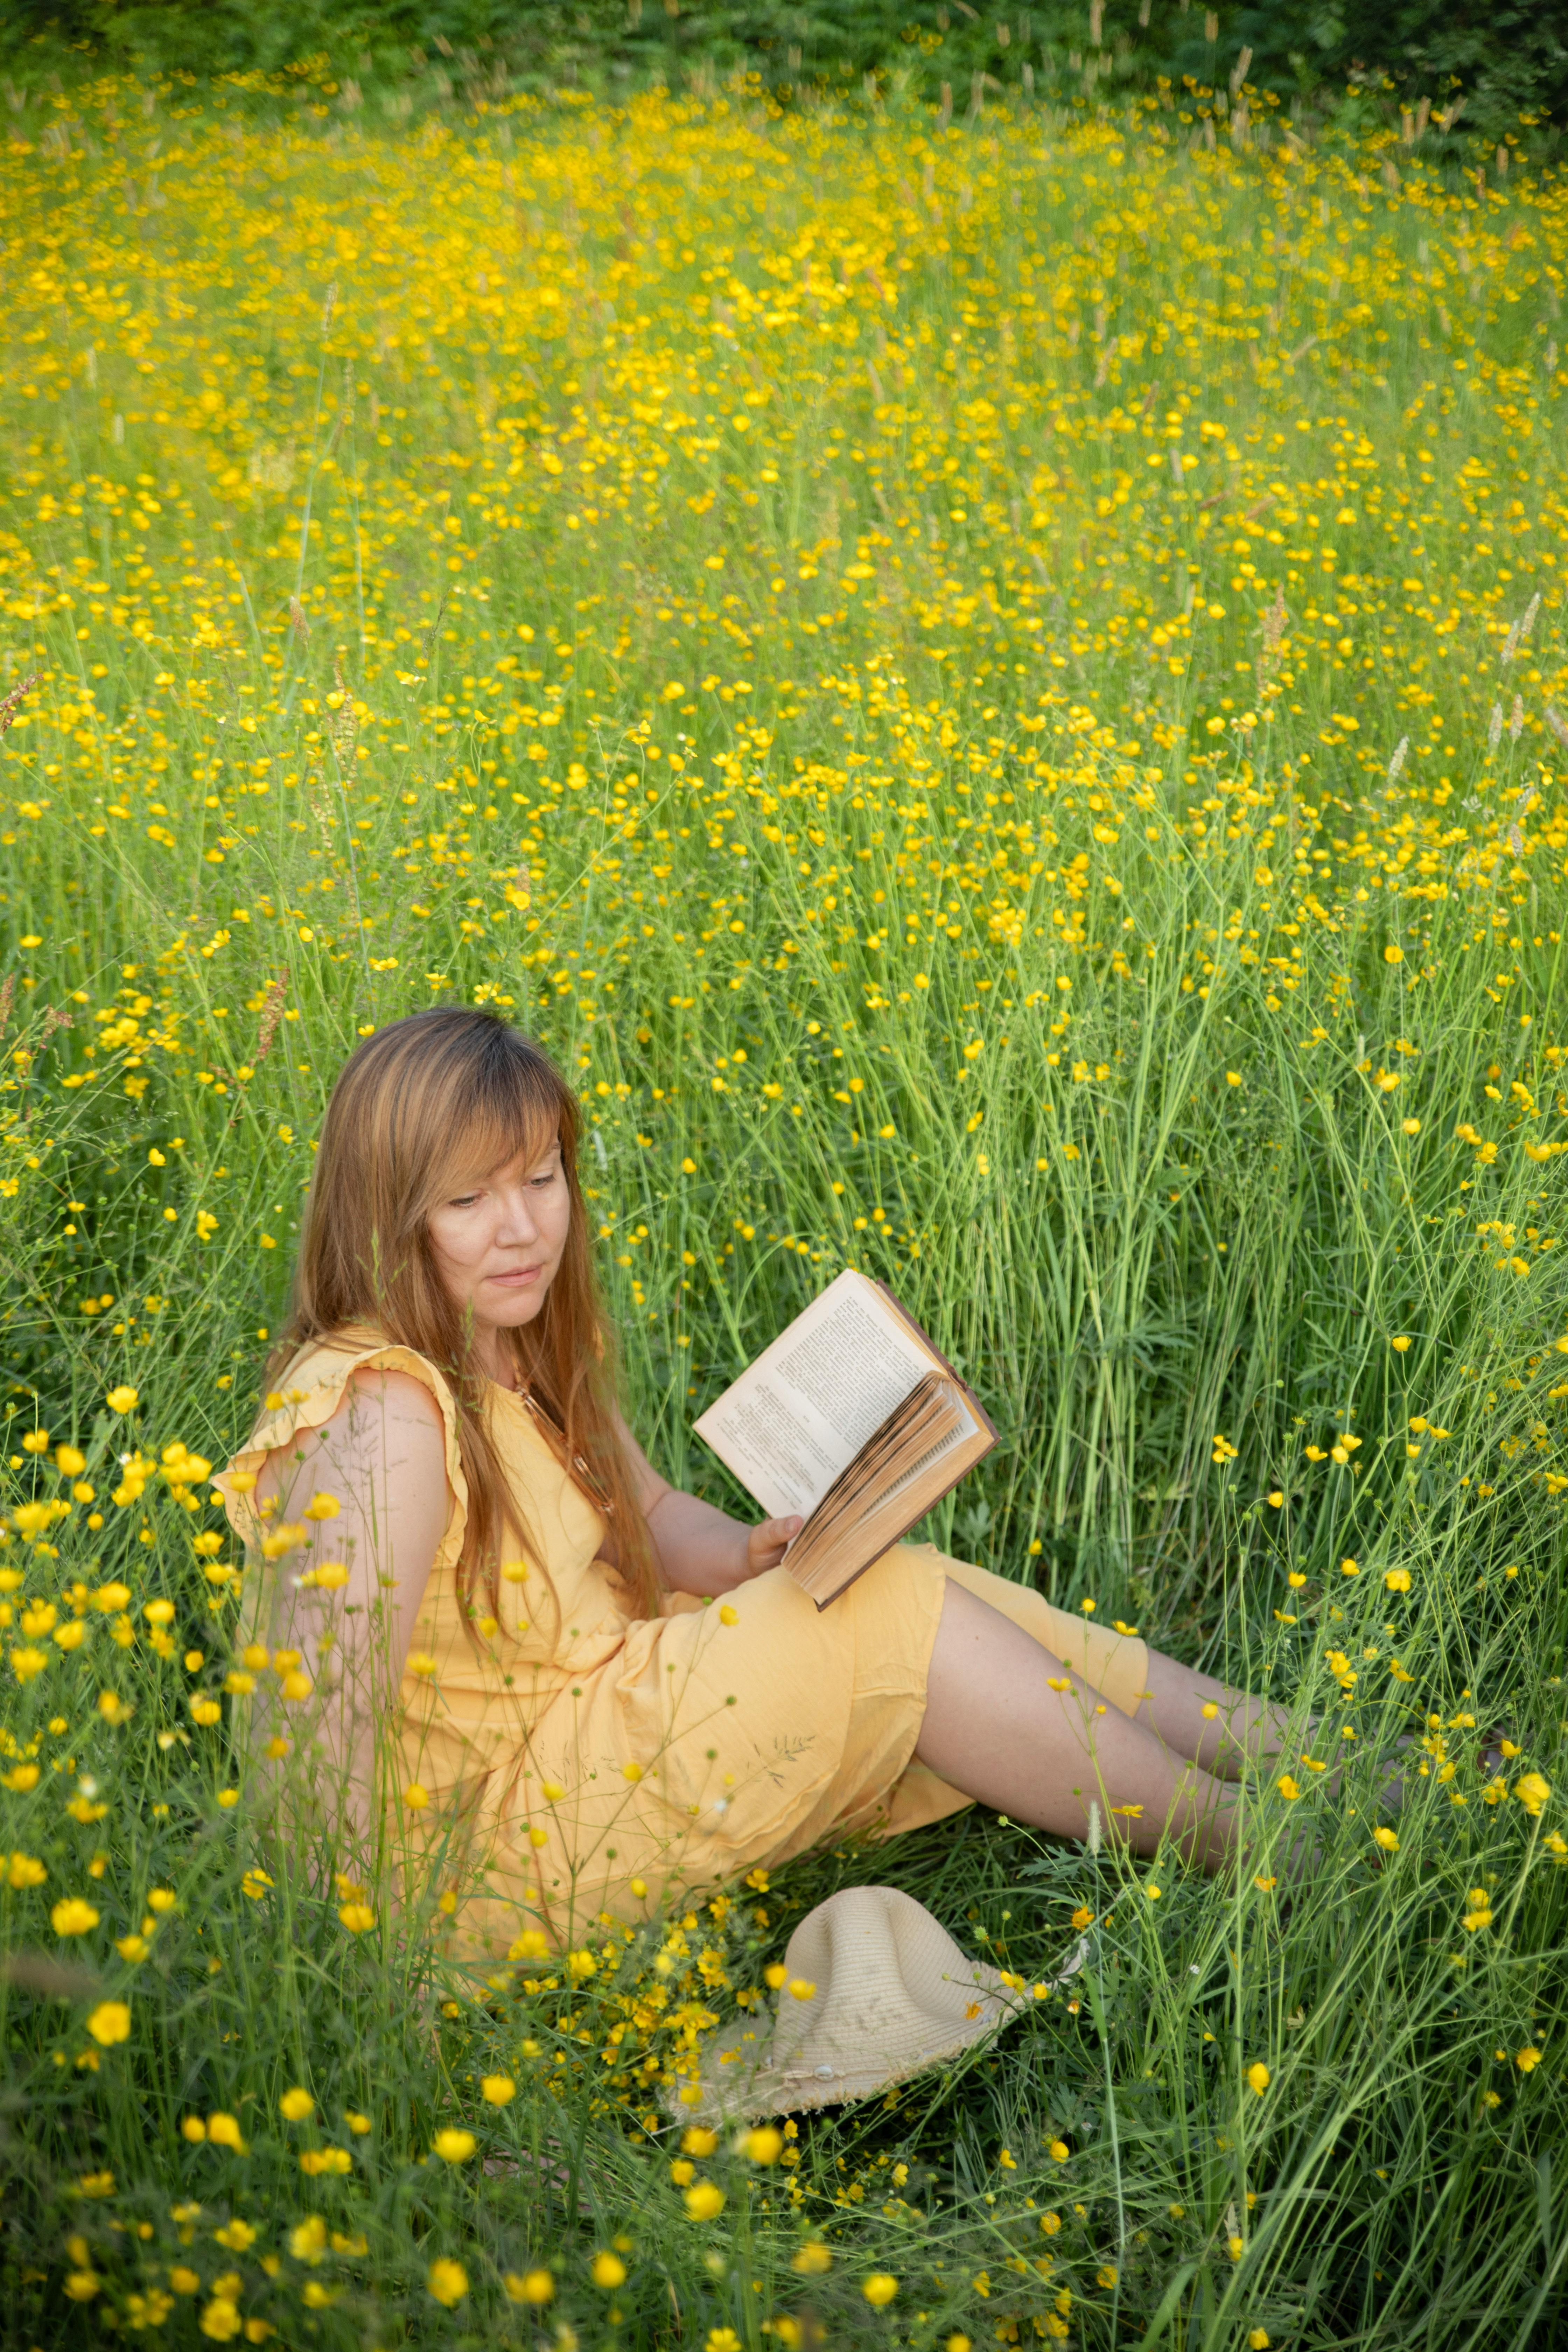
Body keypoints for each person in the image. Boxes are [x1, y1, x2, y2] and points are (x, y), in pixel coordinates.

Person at [220, 1007, 1303, 1958]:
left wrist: (746, 1556)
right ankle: (1276, 1850)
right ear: (386, 1211)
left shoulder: (507, 1337)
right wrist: (386, 2008)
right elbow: (311, 1766)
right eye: (468, 1200)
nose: (523, 1229)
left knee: (897, 1577)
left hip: (581, 1724)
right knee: (883, 1617)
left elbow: (639, 1513)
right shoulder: (383, 1419)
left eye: (541, 1179)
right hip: (483, 1850)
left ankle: (1303, 1757)